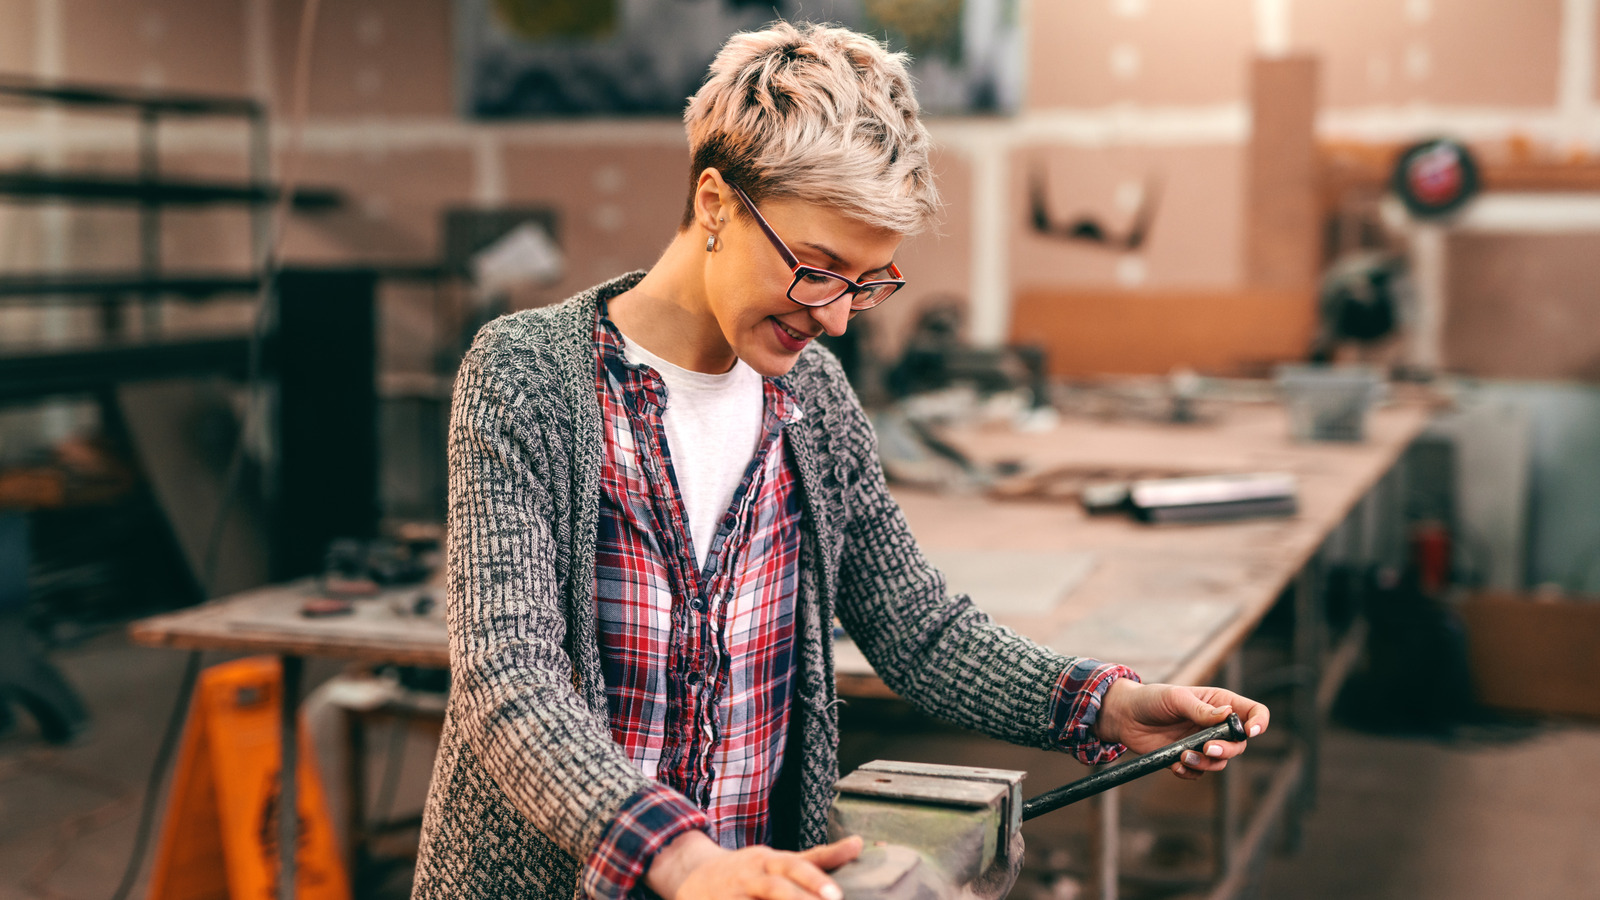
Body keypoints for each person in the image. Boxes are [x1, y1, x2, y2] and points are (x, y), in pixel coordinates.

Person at [412, 21, 1269, 900]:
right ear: (715, 201)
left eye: (869, 281)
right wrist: (682, 859)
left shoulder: (813, 399)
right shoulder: (527, 376)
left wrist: (1102, 707)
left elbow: (919, 628)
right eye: (817, 268)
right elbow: (507, 674)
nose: (837, 317)